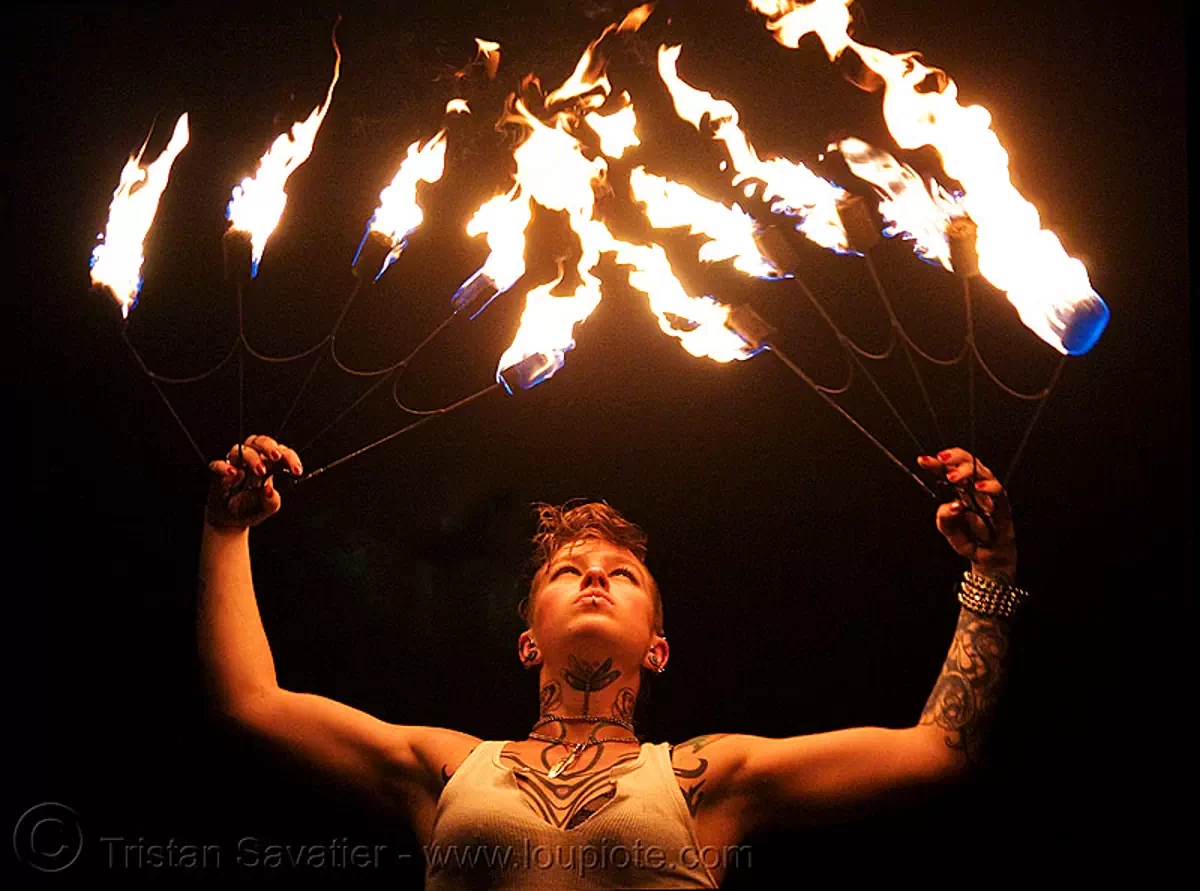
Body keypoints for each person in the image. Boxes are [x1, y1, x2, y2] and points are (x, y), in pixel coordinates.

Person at [199, 433, 1024, 889]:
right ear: (528, 639)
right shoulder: (446, 767)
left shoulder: (709, 777)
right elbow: (250, 699)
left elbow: (940, 749)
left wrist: (990, 571)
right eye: (568, 571)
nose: (594, 574)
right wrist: (226, 531)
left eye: (622, 574)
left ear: (657, 647)